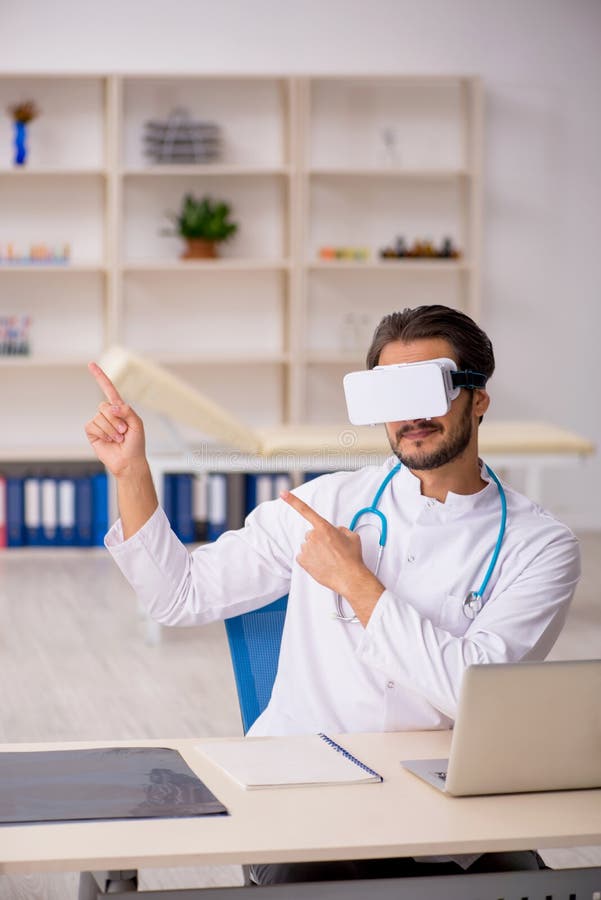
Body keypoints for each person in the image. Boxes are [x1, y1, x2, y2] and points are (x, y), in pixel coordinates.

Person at [85, 305, 580, 883]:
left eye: (429, 389)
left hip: (451, 802)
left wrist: (355, 582)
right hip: (305, 794)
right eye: (391, 395)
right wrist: (131, 474)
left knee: (544, 886)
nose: (412, 417)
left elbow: (473, 692)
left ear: (479, 399)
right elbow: (180, 596)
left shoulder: (540, 545)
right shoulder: (322, 505)